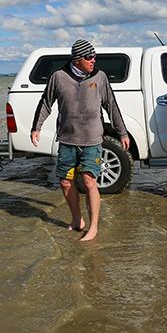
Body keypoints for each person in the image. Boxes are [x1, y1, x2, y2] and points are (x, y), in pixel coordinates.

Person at [31, 39, 130, 241]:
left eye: (94, 57)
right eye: (89, 57)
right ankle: (77, 219)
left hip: (92, 140)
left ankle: (93, 228)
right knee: (66, 182)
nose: (93, 60)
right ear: (77, 60)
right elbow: (46, 103)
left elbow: (111, 105)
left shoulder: (100, 77)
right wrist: (36, 128)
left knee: (89, 181)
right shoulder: (58, 76)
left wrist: (122, 132)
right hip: (67, 140)